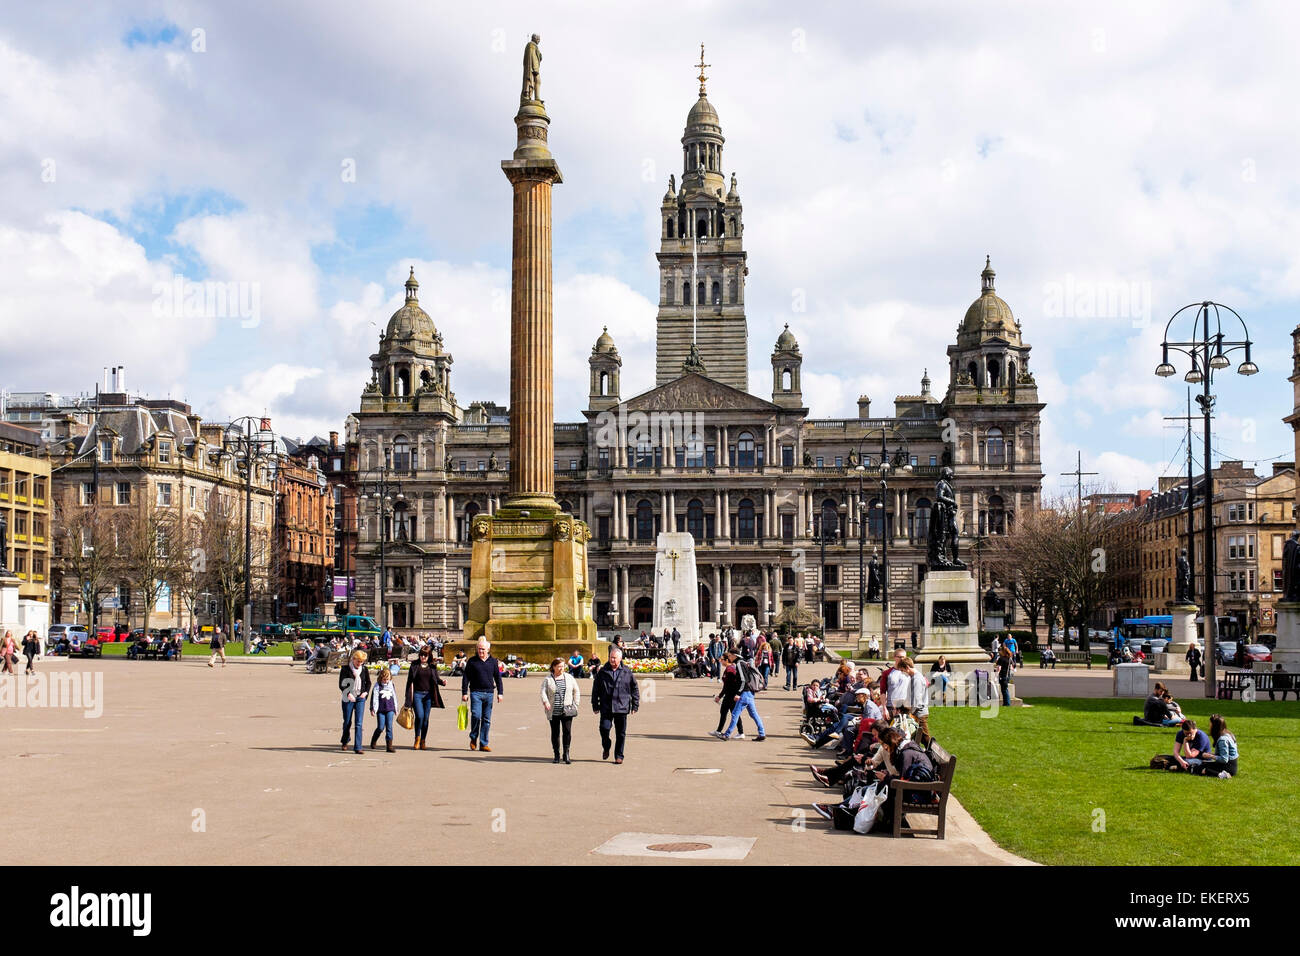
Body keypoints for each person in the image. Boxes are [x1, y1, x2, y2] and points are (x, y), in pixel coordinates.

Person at [591, 647, 639, 764]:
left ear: (620, 658)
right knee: (604, 728)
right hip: (606, 707)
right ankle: (606, 746)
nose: (612, 660)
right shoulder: (602, 672)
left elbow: (634, 688)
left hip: (621, 707)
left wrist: (635, 705)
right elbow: (595, 689)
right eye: (610, 657)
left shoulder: (627, 671)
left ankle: (619, 755)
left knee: (621, 733)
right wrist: (595, 705)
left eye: (614, 658)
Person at [461, 637, 504, 752]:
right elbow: (466, 678)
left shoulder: (493, 662)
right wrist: (464, 692)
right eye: (479, 649)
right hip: (476, 692)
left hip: (489, 693)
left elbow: (498, 678)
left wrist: (500, 693)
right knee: (476, 715)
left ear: (488, 649)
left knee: (486, 719)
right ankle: (473, 738)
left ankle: (484, 743)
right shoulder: (472, 661)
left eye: (483, 649)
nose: (481, 651)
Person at [712, 652, 766, 741]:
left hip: (744, 694)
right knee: (754, 714)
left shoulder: (739, 664)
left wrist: (738, 693)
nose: (729, 657)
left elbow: (744, 680)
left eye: (730, 655)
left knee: (735, 714)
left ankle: (727, 734)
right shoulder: (744, 662)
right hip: (750, 693)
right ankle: (762, 733)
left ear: (734, 655)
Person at [404, 645, 446, 750]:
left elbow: (436, 678)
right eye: (421, 655)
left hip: (428, 695)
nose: (423, 657)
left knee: (426, 719)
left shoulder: (432, 666)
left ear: (429, 656)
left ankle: (423, 740)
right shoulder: (414, 665)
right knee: (420, 716)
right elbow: (409, 682)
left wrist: (442, 682)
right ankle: (417, 738)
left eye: (425, 655)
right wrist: (408, 699)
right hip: (417, 694)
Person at [541, 657, 580, 764]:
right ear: (553, 667)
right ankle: (556, 754)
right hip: (553, 711)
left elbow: (576, 691)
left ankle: (566, 754)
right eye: (559, 666)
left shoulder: (569, 677)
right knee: (555, 733)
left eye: (563, 666)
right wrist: (546, 702)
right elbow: (543, 692)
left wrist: (575, 705)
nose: (561, 669)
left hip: (567, 710)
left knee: (567, 732)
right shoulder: (548, 679)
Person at [339, 650, 371, 754]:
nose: (360, 663)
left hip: (360, 698)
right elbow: (341, 684)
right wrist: (348, 694)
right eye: (358, 661)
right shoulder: (345, 669)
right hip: (348, 698)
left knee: (359, 723)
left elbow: (368, 683)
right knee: (347, 722)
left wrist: (365, 692)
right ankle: (345, 741)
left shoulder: (364, 669)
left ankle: (358, 747)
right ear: (353, 659)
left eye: (362, 661)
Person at [1191, 714, 1239, 778]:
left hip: (1227, 767)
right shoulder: (1228, 734)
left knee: (1196, 768)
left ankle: (1221, 775)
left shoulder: (1223, 740)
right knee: (1203, 763)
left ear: (1215, 727)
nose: (1209, 726)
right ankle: (1219, 773)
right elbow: (1225, 754)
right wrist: (1208, 754)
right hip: (1231, 766)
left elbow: (1224, 759)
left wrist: (1210, 756)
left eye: (1210, 724)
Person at [368, 667, 399, 752]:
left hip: (390, 709)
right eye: (384, 679)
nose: (386, 681)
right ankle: (374, 740)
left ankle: (389, 746)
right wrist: (373, 709)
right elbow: (373, 698)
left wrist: (396, 708)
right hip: (380, 710)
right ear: (381, 678)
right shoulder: (377, 686)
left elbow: (394, 696)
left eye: (387, 679)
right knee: (381, 727)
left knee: (389, 727)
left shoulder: (391, 685)